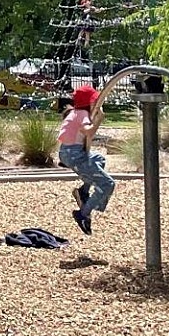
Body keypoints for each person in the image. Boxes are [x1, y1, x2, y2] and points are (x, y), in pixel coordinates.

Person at [57, 84, 114, 235]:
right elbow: (89, 132)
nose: (97, 103)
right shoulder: (82, 114)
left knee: (99, 159)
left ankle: (84, 190)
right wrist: (99, 119)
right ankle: (83, 214)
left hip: (68, 152)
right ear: (88, 102)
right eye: (95, 100)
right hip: (75, 155)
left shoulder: (76, 112)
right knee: (107, 184)